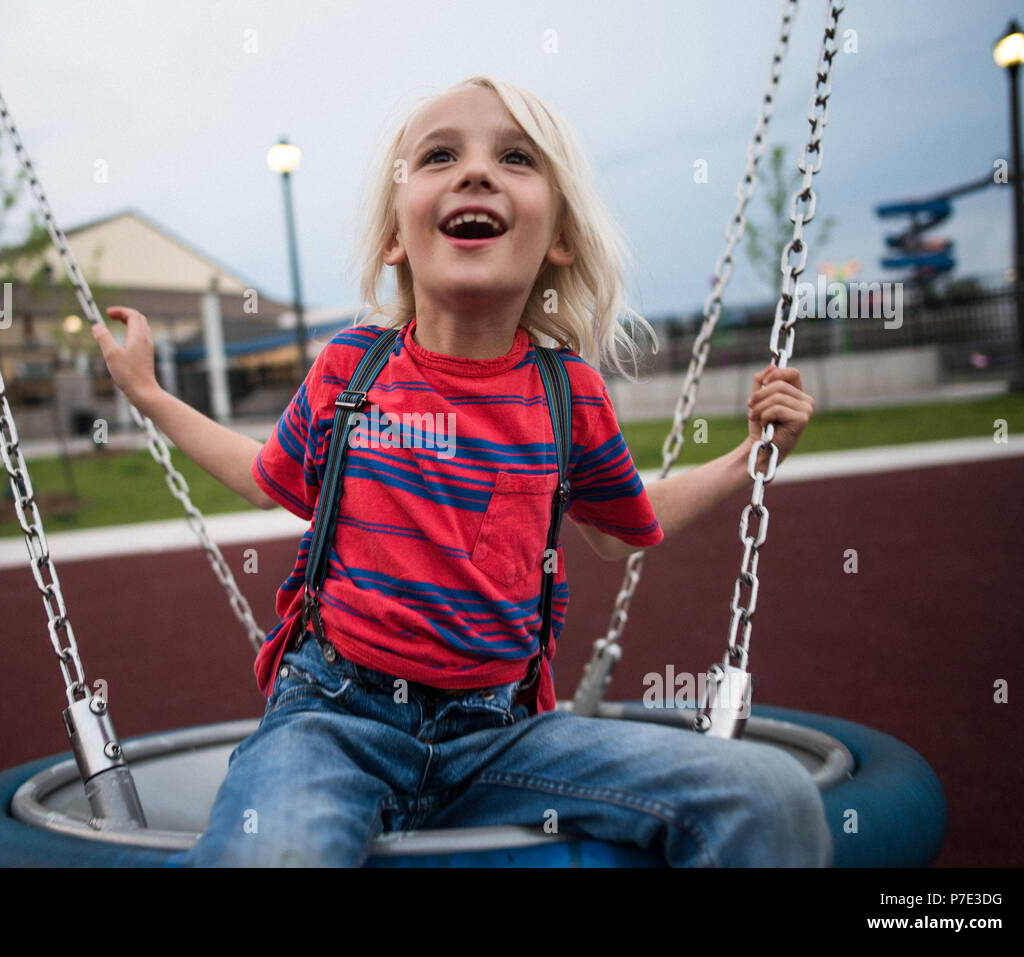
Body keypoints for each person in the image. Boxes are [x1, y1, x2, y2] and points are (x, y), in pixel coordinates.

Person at [91, 75, 826, 867]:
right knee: (274, 855)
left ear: (559, 240)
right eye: (439, 155)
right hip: (333, 722)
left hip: (500, 735)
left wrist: (750, 460)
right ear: (395, 239)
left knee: (767, 794)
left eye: (515, 157)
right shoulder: (353, 370)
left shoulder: (564, 392)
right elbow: (264, 472)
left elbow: (624, 529)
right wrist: (149, 394)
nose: (476, 172)